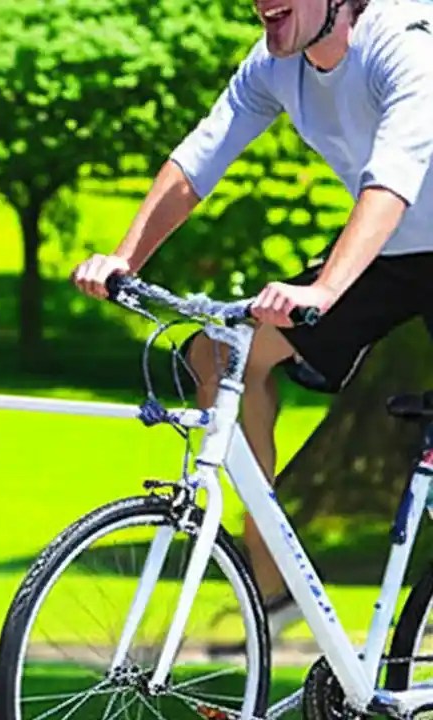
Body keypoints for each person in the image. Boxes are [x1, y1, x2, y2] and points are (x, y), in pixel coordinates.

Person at [72, 0, 433, 640]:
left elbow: (393, 180)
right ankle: (273, 588)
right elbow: (200, 156)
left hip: (392, 223)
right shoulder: (275, 64)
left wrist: (324, 288)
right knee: (218, 355)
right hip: (394, 252)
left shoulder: (403, 44)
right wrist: (124, 259)